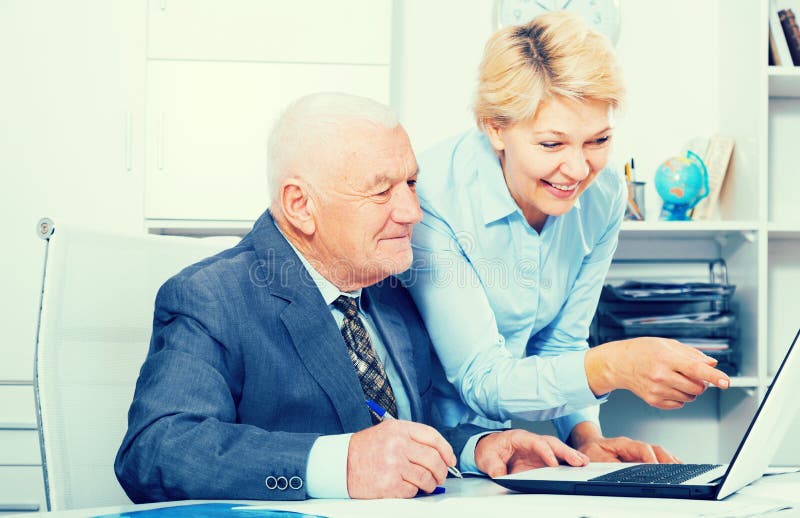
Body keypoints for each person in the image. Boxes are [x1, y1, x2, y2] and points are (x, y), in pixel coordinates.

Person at [114, 92, 591, 503]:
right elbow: (156, 449)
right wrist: (341, 465)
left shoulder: (387, 286)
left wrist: (480, 448)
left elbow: (393, 431)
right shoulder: (212, 297)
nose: (412, 212)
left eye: (410, 183)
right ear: (301, 205)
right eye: (381, 191)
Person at [400, 12, 730, 464]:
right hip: (423, 448)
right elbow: (482, 378)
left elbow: (561, 344)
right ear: (495, 127)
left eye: (597, 140)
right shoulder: (431, 195)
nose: (577, 171)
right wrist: (614, 365)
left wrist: (585, 437)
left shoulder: (605, 193)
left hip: (504, 450)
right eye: (552, 145)